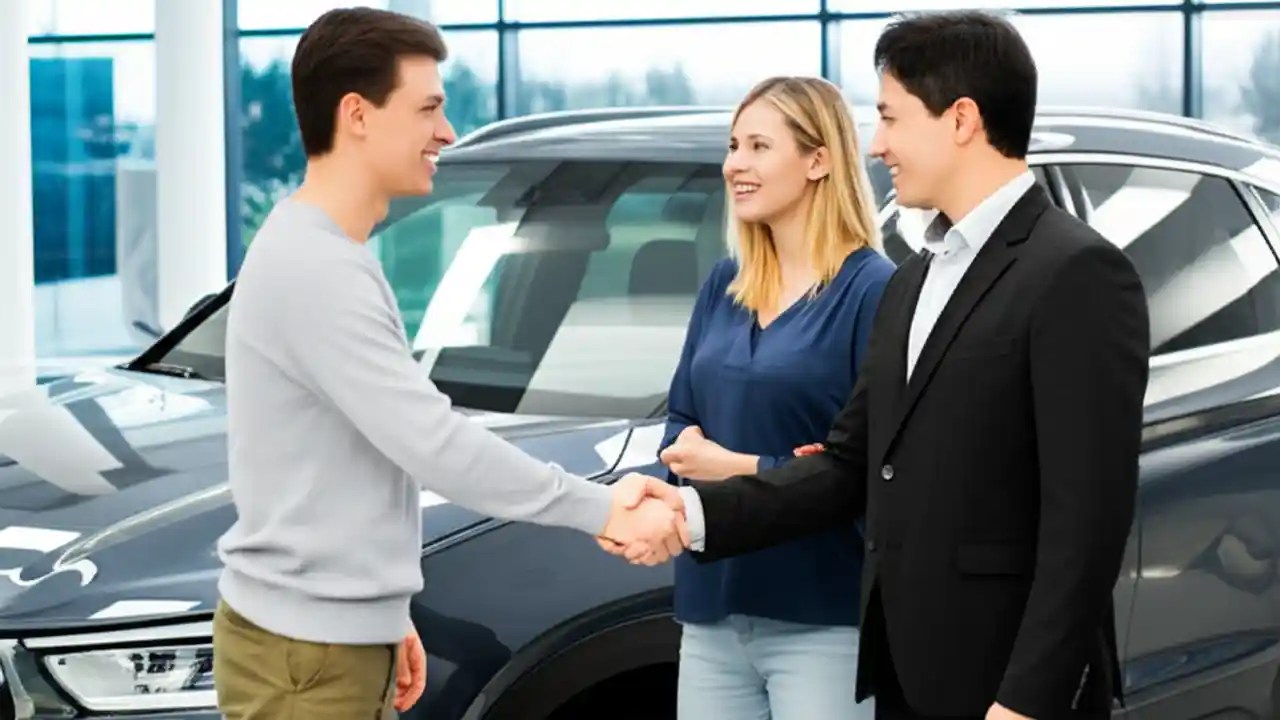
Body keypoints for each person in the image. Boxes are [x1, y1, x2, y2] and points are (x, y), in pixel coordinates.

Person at [611, 10, 1150, 720]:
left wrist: (1025, 700)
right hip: (905, 676)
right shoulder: (917, 280)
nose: (876, 144)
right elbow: (849, 466)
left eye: (891, 118)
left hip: (1004, 687)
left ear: (961, 119)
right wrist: (691, 511)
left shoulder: (1076, 271)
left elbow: (1087, 523)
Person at [210, 8, 688, 720]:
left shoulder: (322, 249)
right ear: (357, 115)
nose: (447, 131)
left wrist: (380, 612)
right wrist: (603, 507)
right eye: (428, 108)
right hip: (309, 659)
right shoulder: (318, 268)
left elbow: (344, 459)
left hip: (324, 642)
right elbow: (432, 442)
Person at [656, 76, 891, 719]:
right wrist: (706, 457)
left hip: (823, 618)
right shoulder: (725, 284)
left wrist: (732, 466)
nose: (735, 164)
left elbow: (867, 469)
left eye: (759, 146)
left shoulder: (874, 292)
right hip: (711, 611)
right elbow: (679, 423)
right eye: (734, 146)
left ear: (818, 160)